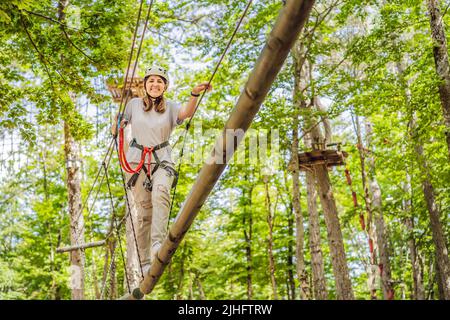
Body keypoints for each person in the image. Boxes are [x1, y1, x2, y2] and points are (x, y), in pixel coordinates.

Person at [111, 65, 212, 275]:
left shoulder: (171, 107)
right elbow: (118, 128)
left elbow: (187, 112)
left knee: (161, 193)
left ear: (164, 86)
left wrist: (194, 94)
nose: (155, 85)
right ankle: (145, 263)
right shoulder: (133, 105)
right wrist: (117, 124)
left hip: (162, 159)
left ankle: (158, 243)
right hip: (136, 162)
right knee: (144, 215)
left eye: (159, 81)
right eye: (151, 81)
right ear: (146, 84)